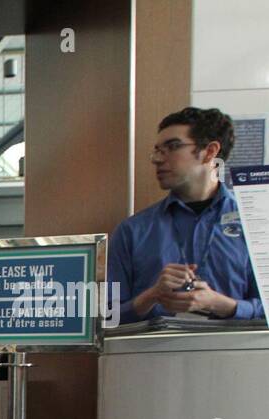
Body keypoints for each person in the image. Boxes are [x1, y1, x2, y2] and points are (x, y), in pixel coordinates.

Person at [108, 106, 263, 324]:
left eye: (172, 147)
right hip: (150, 356)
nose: (157, 159)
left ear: (210, 152)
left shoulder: (257, 224)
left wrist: (220, 305)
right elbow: (105, 318)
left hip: (236, 355)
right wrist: (151, 296)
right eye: (157, 150)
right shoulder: (132, 231)